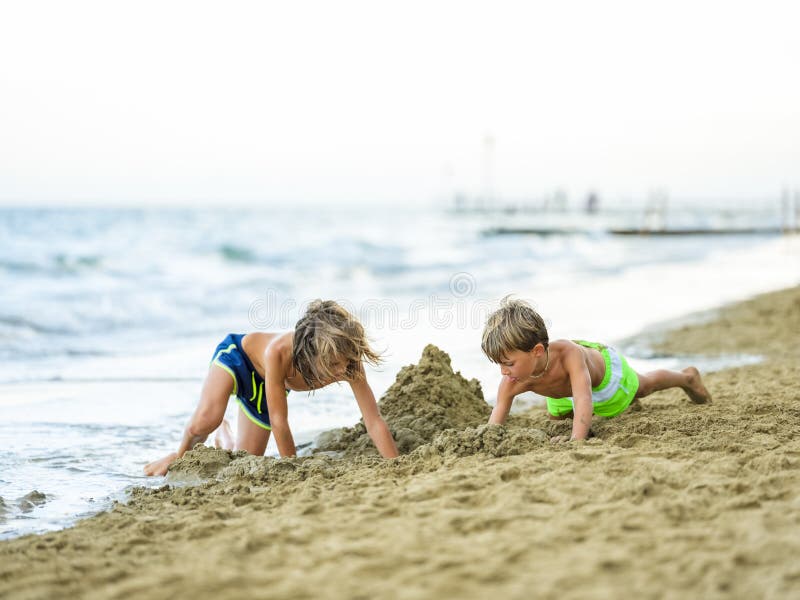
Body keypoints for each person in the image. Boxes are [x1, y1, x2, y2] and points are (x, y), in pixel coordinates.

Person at [144, 300, 399, 476]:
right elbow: (279, 421)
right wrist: (293, 470)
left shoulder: (348, 363)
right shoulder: (278, 352)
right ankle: (179, 454)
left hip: (265, 389)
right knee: (206, 420)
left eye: (345, 363)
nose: (341, 371)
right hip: (238, 359)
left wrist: (395, 464)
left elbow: (373, 420)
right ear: (310, 354)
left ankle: (225, 435)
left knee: (246, 457)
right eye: (332, 365)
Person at [481, 297, 711, 442]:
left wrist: (576, 441)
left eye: (508, 364)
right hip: (562, 391)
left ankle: (686, 378)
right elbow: (497, 417)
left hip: (601, 376)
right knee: (557, 422)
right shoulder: (514, 379)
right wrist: (489, 438)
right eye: (499, 364)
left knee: (642, 387)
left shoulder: (570, 355)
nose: (503, 372)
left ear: (537, 351)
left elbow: (583, 398)